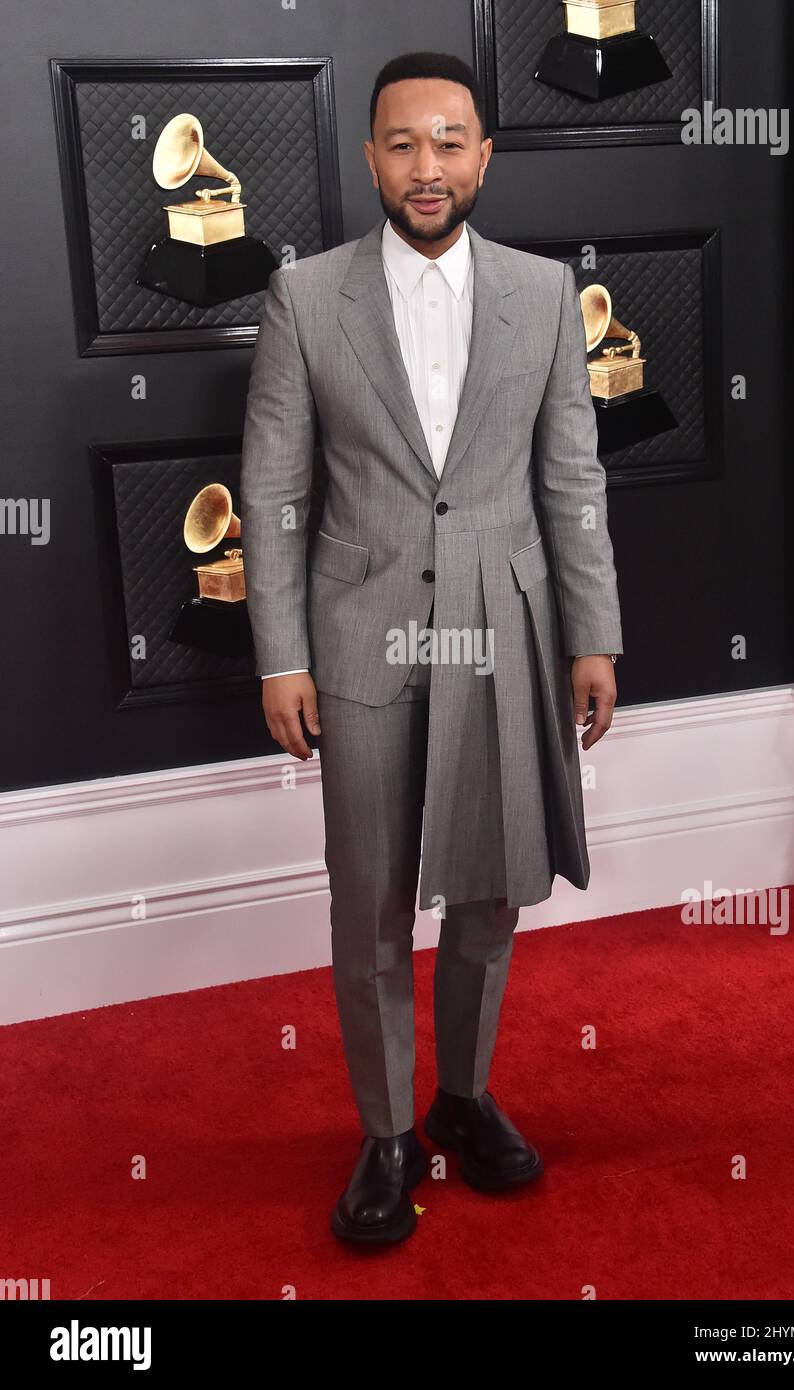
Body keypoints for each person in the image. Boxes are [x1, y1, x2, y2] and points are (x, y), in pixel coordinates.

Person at [240, 50, 622, 1246]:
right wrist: (278, 654)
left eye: (449, 141)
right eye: (402, 143)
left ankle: (460, 1098)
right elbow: (272, 487)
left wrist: (593, 635)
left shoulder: (544, 294)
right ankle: (385, 1134)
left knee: (489, 887)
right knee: (369, 905)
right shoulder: (306, 297)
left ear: (483, 155)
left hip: (506, 625)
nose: (426, 165)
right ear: (370, 157)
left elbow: (571, 480)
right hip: (357, 635)